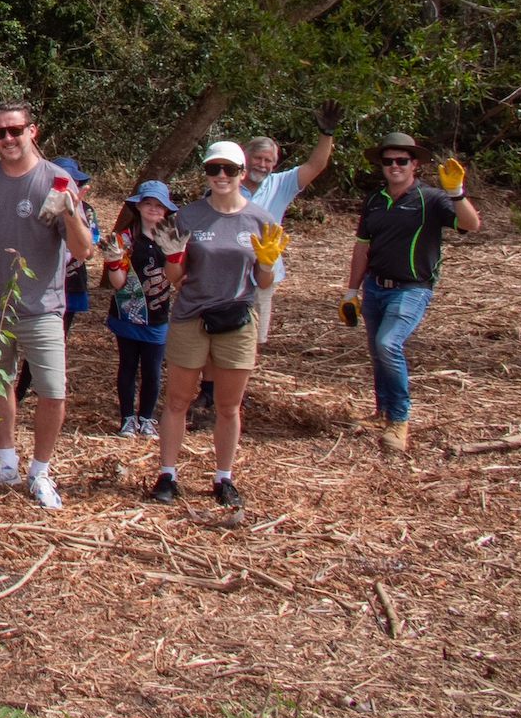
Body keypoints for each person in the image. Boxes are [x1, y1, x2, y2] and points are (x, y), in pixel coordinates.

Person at [0, 99, 93, 510]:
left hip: (42, 308)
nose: (7, 139)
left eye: (15, 130)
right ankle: (5, 463)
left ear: (32, 131)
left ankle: (40, 471)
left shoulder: (56, 180)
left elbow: (82, 250)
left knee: (53, 393)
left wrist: (71, 213)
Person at [147, 141, 287, 507]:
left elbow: (263, 281)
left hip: (237, 318)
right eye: (213, 169)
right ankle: (167, 475)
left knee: (228, 406)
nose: (221, 176)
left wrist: (269, 263)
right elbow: (175, 277)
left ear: (242, 173)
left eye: (229, 169)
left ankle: (223, 478)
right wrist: (174, 256)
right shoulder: (188, 217)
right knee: (178, 400)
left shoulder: (260, 219)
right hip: (191, 315)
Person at [345, 132, 479, 453]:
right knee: (378, 352)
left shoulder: (430, 199)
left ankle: (400, 420)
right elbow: (362, 249)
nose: (395, 166)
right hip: (376, 287)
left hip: (412, 288)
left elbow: (471, 225)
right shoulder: (374, 201)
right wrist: (351, 291)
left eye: (402, 161)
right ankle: (383, 412)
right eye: (388, 161)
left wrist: (456, 193)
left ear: (414, 164)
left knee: (388, 344)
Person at [243, 101, 341, 341]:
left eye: (268, 161)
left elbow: (315, 165)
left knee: (254, 337)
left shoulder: (280, 185)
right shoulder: (226, 185)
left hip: (263, 272)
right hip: (230, 270)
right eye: (258, 158)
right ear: (245, 158)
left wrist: (326, 134)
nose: (262, 165)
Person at [14, 157, 97, 402]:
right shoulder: (38, 203)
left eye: (72, 182)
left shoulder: (86, 211)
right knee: (36, 338)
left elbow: (86, 249)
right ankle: (23, 388)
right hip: (42, 287)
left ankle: (46, 388)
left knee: (57, 337)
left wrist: (71, 215)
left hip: (72, 284)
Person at [99, 182, 177, 437]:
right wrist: (113, 263)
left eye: (159, 205)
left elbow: (178, 276)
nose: (153, 209)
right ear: (138, 206)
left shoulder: (172, 238)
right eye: (148, 203)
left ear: (166, 210)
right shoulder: (125, 239)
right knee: (128, 366)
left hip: (158, 315)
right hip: (127, 313)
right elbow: (118, 283)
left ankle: (146, 418)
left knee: (153, 370)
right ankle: (127, 418)